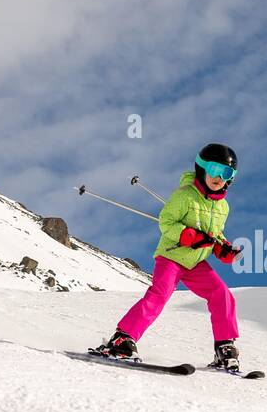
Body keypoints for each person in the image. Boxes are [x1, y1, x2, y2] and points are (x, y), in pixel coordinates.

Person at [94, 143, 244, 370]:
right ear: (202, 169)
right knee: (160, 294)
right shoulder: (184, 196)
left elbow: (216, 234)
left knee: (221, 294)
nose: (219, 177)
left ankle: (224, 346)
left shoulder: (223, 207)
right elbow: (166, 222)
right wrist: (189, 236)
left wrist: (223, 248)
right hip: (172, 257)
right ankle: (122, 338)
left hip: (195, 262)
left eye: (227, 173)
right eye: (215, 170)